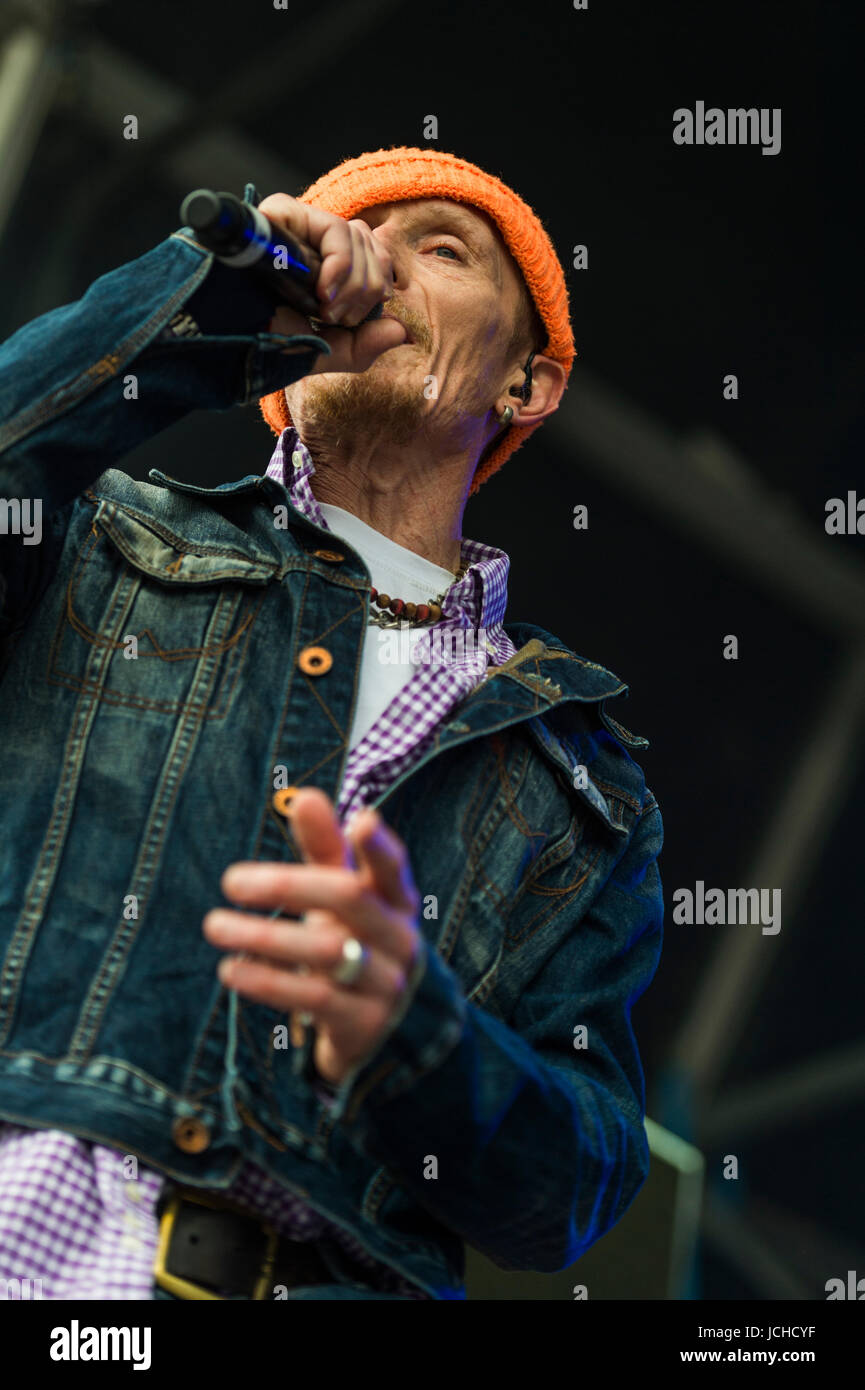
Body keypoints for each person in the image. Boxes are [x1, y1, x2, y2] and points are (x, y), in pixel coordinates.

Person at [0, 147, 663, 1301]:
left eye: (441, 250)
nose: (380, 264)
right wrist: (209, 299)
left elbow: (574, 1189)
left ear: (528, 385)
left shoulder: (584, 787)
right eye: (353, 238)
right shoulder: (92, 545)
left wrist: (417, 1036)